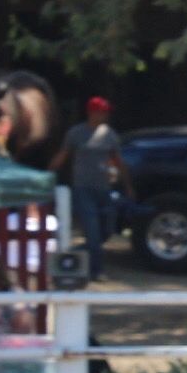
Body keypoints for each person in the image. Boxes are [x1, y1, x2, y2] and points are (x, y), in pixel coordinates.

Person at [51, 96, 134, 282]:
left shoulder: (110, 135)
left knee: (107, 230)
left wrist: (127, 185)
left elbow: (118, 162)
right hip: (83, 189)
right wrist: (49, 174)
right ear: (91, 112)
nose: (104, 115)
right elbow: (63, 155)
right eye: (101, 112)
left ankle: (74, 253)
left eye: (105, 112)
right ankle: (96, 271)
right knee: (92, 230)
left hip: (104, 189)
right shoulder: (76, 133)